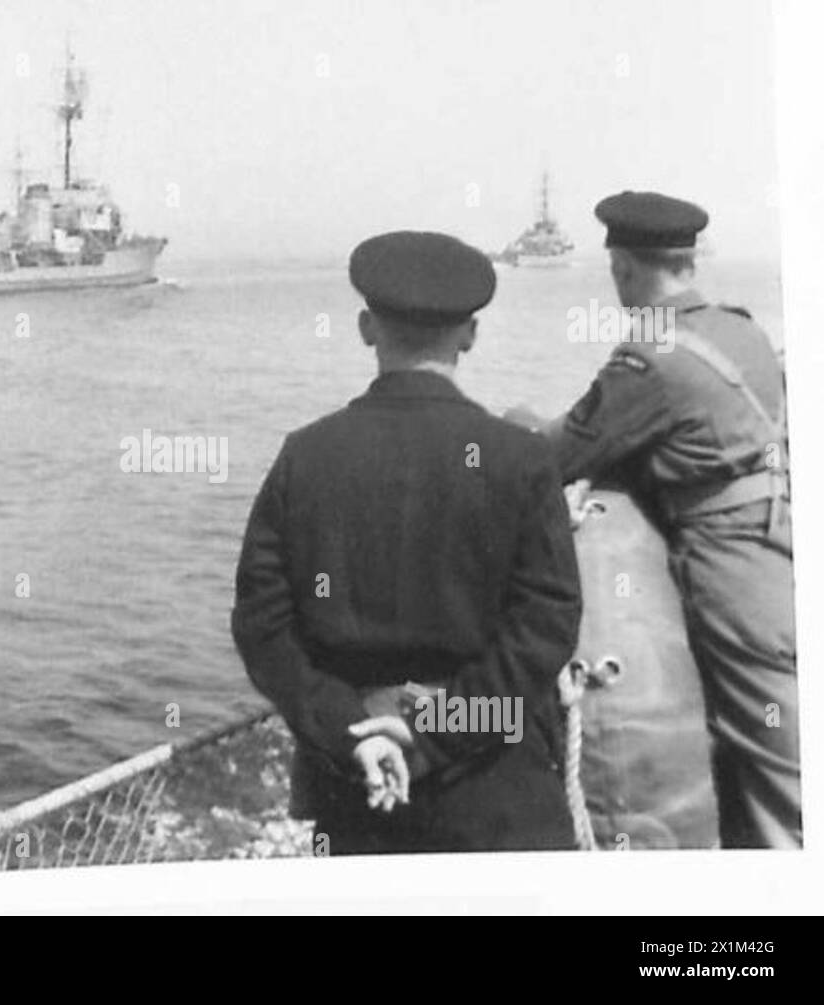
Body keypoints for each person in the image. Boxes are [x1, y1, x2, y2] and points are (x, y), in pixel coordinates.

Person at [231, 231, 583, 854]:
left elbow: (263, 626)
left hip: (357, 796)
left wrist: (352, 733)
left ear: (367, 328)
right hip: (499, 791)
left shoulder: (304, 457)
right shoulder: (523, 460)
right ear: (471, 334)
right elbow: (546, 626)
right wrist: (438, 727)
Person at [510, 191, 799, 849]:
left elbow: (560, 452)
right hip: (777, 538)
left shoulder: (649, 356)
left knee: (782, 762)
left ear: (623, 268)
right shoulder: (741, 328)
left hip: (734, 568)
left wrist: (517, 422)